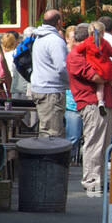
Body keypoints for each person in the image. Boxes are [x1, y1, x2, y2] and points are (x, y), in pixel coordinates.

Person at [67, 22, 112, 196]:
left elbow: (108, 69)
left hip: (105, 102)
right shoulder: (75, 56)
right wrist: (111, 73)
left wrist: (109, 73)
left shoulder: (94, 52)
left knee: (104, 143)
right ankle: (92, 181)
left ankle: (101, 179)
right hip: (91, 104)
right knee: (95, 142)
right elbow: (98, 77)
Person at [29, 9, 69, 137]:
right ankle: (48, 157)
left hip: (40, 88)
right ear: (59, 22)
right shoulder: (54, 41)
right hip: (51, 91)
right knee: (52, 134)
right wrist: (72, 83)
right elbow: (62, 67)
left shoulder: (39, 37)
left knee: (46, 129)